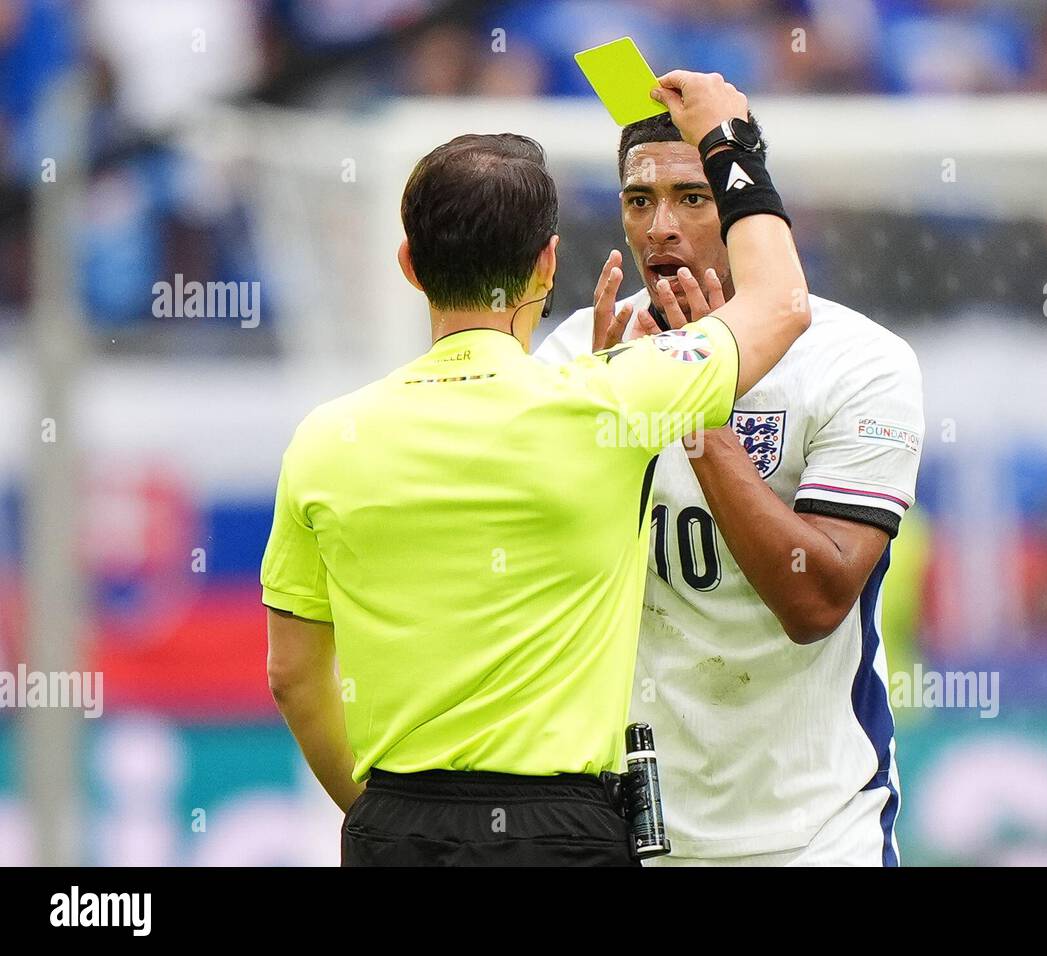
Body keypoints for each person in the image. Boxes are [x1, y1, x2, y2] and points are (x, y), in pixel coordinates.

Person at [261, 70, 810, 865]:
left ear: (410, 265)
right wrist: (731, 141)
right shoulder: (615, 400)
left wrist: (384, 816)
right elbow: (781, 304)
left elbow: (293, 676)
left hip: (394, 823)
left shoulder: (324, 438)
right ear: (548, 265)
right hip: (559, 830)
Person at [536, 110, 925, 866]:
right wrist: (588, 427)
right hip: (635, 825)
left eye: (693, 196)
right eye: (639, 201)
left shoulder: (857, 363)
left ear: (746, 212)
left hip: (816, 828)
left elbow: (814, 602)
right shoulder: (575, 360)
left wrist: (698, 416)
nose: (660, 228)